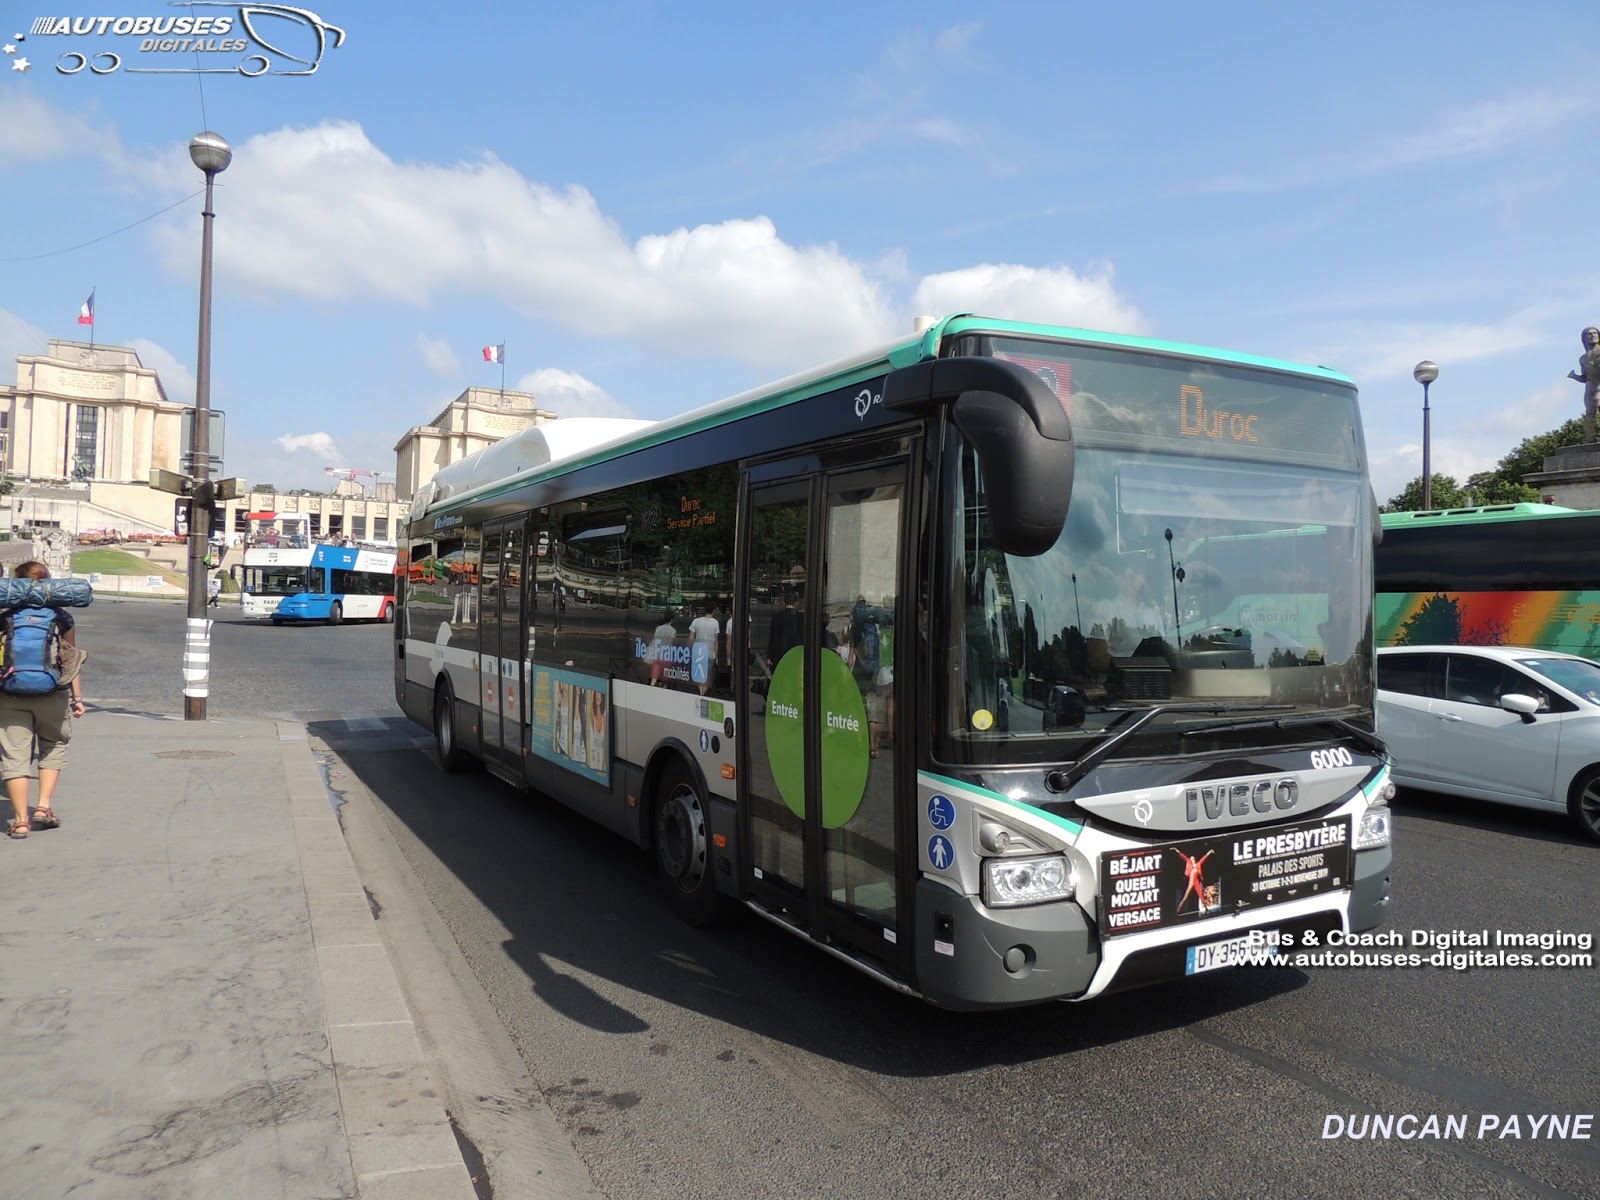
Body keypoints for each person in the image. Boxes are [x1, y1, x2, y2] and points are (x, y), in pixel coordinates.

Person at [3, 561, 87, 839]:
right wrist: (77, 698)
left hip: (9, 694)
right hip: (52, 693)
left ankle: (19, 821)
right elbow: (69, 660)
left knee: (14, 755)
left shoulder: (5, 617)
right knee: (53, 745)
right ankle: (43, 807)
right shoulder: (61, 617)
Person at [1568, 326, 1600, 444]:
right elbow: (1585, 377)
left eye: (1595, 333)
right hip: (1590, 389)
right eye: (1589, 334)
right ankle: (1589, 440)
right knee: (1590, 415)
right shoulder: (1583, 358)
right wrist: (1575, 376)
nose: (1593, 335)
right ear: (1584, 338)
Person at [688, 602, 721, 695]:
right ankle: (703, 693)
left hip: (698, 651)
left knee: (699, 674)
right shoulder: (715, 623)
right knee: (708, 674)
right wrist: (717, 656)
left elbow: (691, 638)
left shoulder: (696, 621)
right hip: (710, 651)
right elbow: (716, 641)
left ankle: (700, 691)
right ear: (713, 611)